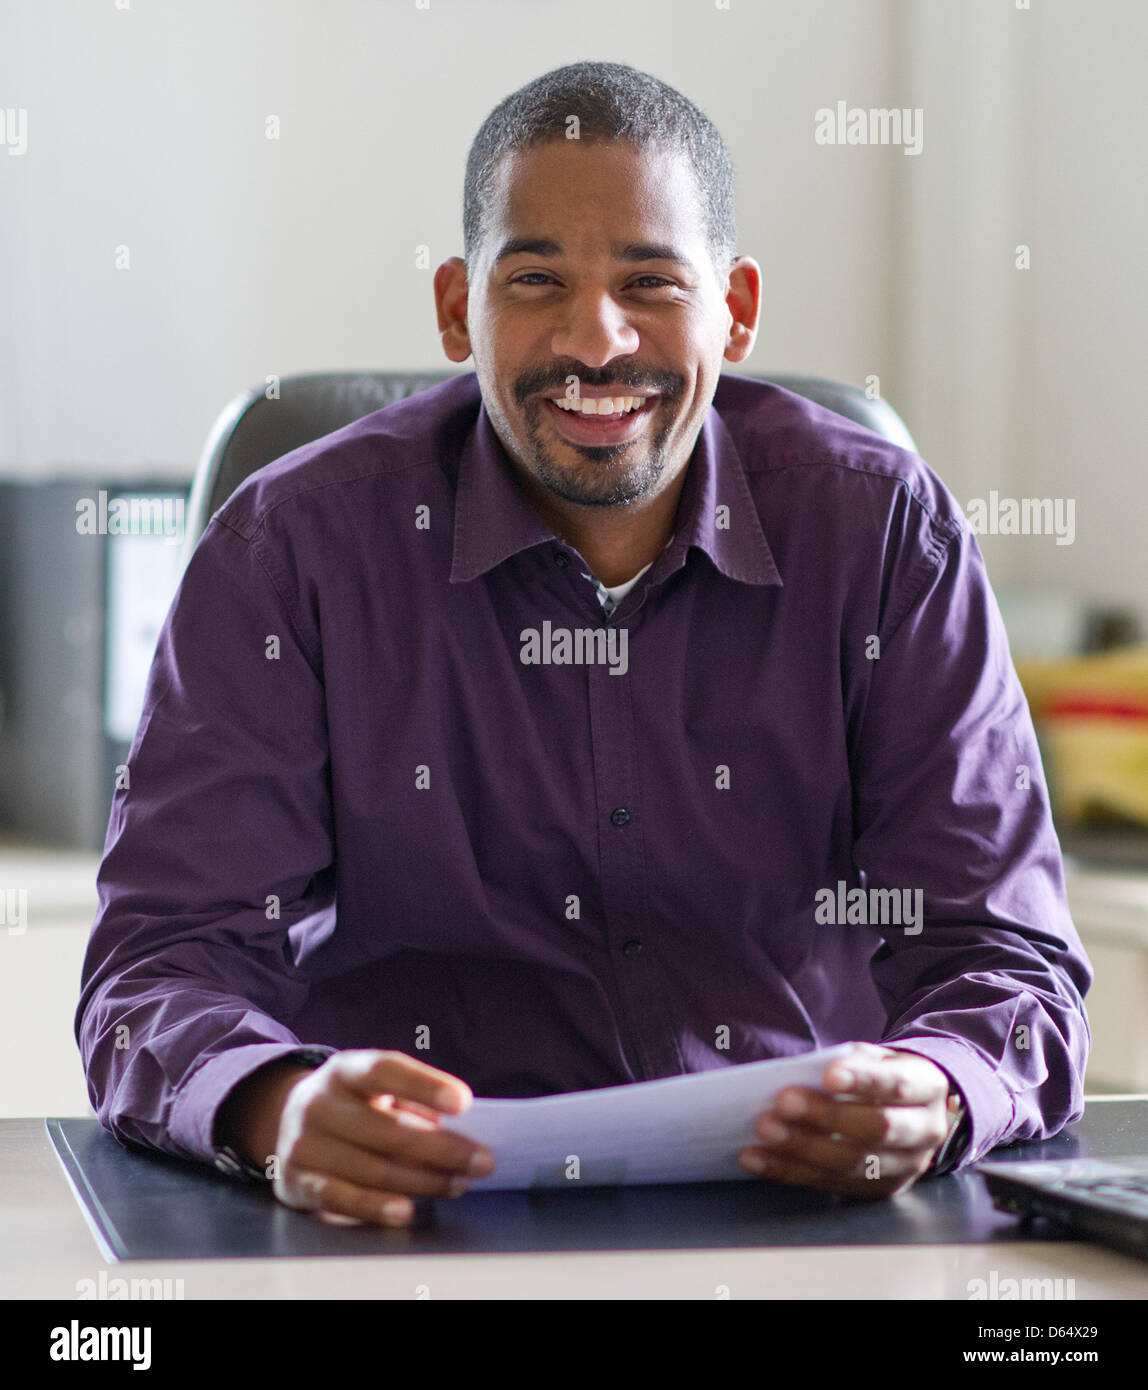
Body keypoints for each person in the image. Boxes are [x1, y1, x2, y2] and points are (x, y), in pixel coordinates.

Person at [77, 61, 1091, 1227]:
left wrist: (936, 1091)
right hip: (408, 1224)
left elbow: (1004, 959)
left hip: (812, 1224)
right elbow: (160, 968)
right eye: (536, 279)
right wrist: (276, 1107)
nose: (596, 341)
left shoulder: (884, 535)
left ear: (736, 308)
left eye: (650, 280)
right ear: (459, 307)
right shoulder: (289, 550)